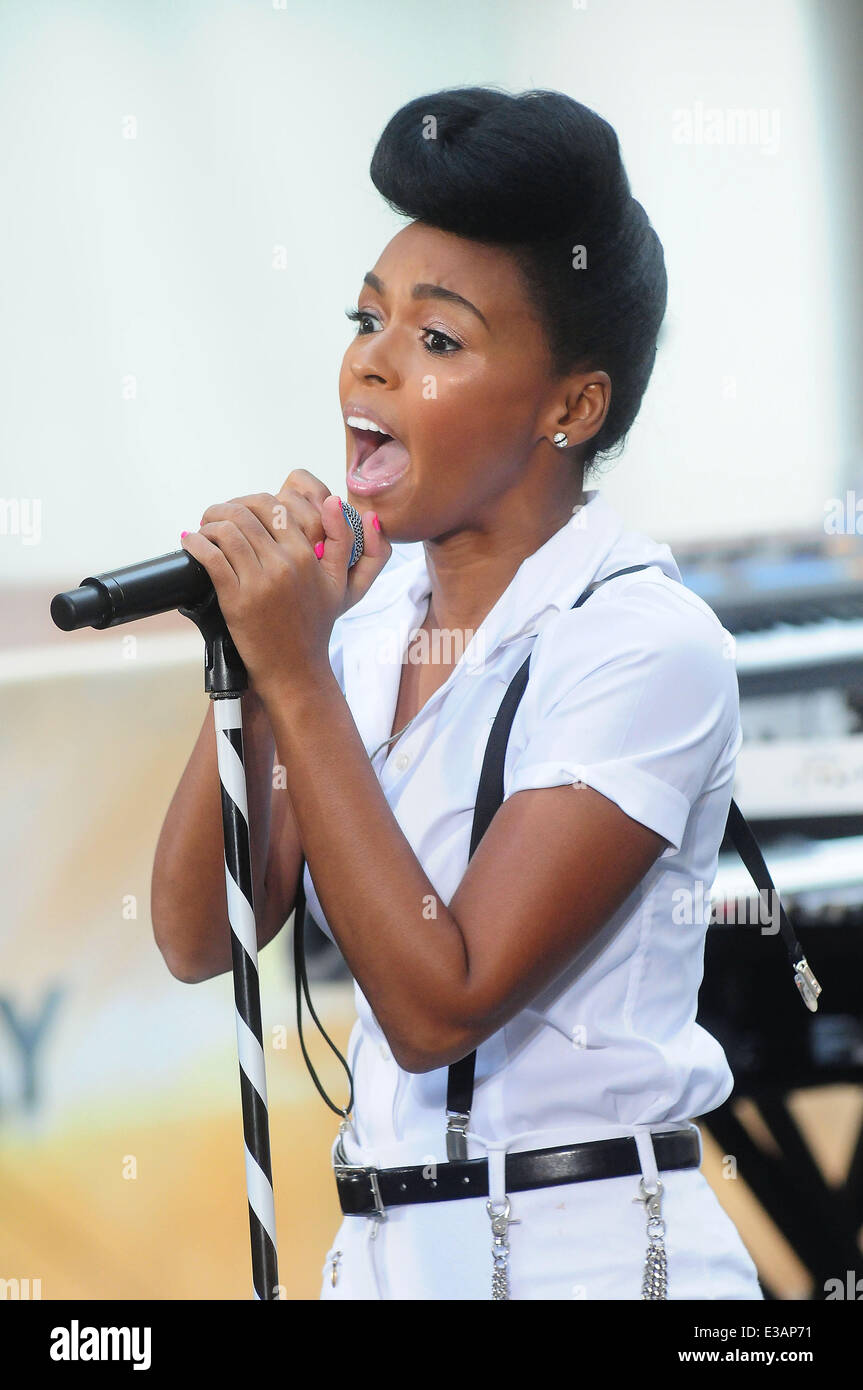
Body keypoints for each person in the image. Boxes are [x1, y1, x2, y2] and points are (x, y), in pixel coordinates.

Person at [152, 85, 763, 1300]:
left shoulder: (642, 645)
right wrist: (270, 662)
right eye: (365, 317)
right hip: (384, 1260)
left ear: (569, 407)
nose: (370, 361)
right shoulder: (364, 626)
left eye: (435, 339)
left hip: (588, 1261)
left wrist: (296, 670)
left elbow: (445, 1002)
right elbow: (193, 935)